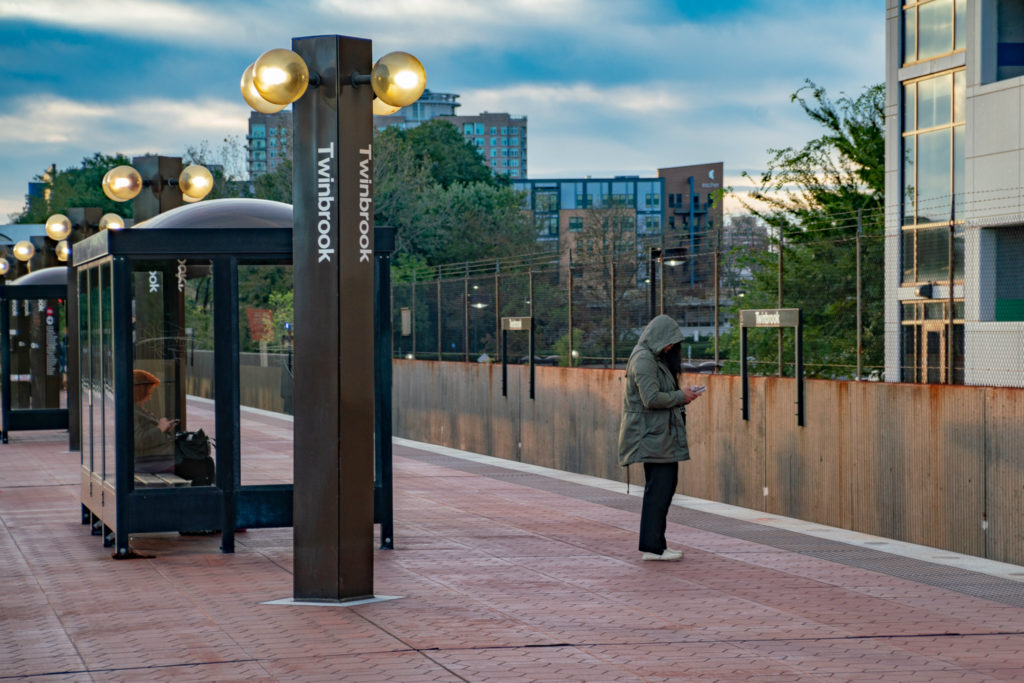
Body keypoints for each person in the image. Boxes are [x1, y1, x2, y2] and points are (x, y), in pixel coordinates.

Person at [617, 315, 704, 561]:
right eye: (669, 342)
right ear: (659, 338)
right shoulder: (644, 359)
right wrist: (681, 396)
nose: (670, 348)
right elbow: (651, 398)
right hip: (652, 437)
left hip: (658, 437)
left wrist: (681, 395)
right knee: (659, 491)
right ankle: (653, 548)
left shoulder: (651, 357)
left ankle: (655, 545)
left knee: (662, 490)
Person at [133, 369, 177, 474]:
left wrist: (165, 428)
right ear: (140, 392)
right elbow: (138, 441)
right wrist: (160, 428)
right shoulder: (132, 413)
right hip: (150, 461)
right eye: (148, 393)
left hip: (155, 457)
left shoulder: (138, 410)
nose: (149, 398)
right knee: (200, 463)